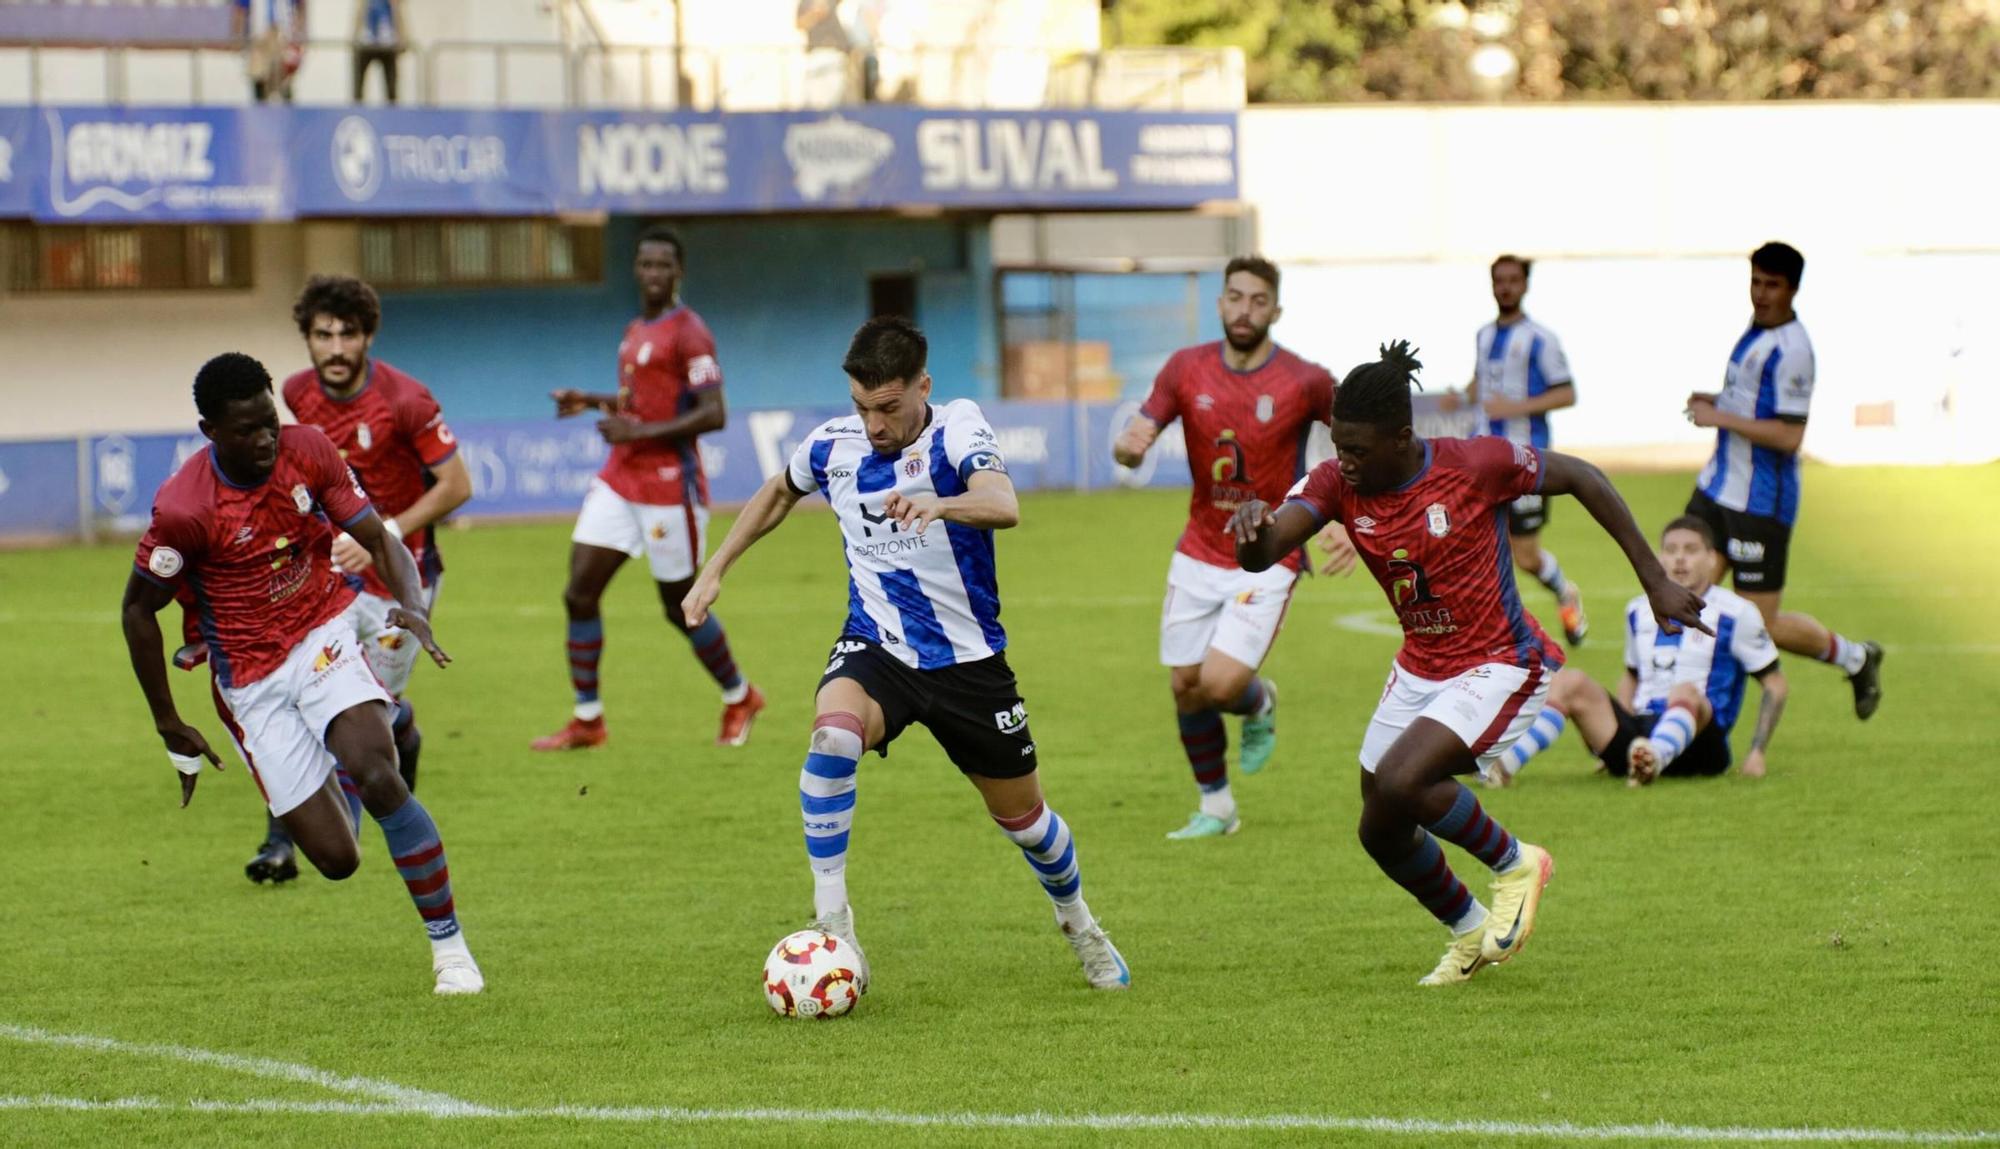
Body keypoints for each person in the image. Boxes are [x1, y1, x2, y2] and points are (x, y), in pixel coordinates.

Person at [1228, 341, 1707, 987]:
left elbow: (1583, 477)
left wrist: (1653, 580)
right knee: (1379, 823)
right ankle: (1469, 929)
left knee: (1404, 778)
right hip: (1422, 665)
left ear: (1402, 437)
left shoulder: (1476, 463)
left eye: (1357, 449)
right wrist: (1254, 529)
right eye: (1336, 445)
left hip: (1503, 661)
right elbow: (1268, 549)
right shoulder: (1339, 481)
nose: (1343, 461)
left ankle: (1517, 862)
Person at [682, 316, 1130, 993]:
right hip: (877, 648)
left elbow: (1002, 502)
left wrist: (941, 503)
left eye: (888, 407)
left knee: (1028, 824)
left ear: (922, 385)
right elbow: (778, 490)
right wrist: (716, 566)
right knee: (832, 736)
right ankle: (834, 917)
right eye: (863, 407)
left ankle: (1081, 924)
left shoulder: (957, 428)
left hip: (968, 664)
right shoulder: (833, 446)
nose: (874, 425)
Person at [121, 352, 482, 995]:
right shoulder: (184, 509)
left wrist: (413, 606)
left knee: (378, 770)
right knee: (338, 860)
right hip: (251, 682)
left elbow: (379, 538)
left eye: (270, 423)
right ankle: (333, 749)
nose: (265, 440)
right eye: (247, 431)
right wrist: (168, 721)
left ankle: (451, 950)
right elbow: (136, 610)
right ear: (210, 432)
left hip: (321, 631)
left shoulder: (307, 450)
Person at [228, 275, 471, 885]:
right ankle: (280, 841)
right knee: (299, 696)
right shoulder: (295, 393)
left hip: (397, 578)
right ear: (307, 338)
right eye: (322, 335)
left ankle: (402, 729)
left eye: (348, 335)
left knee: (373, 714)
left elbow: (457, 486)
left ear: (367, 337)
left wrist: (382, 535)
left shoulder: (406, 400)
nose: (335, 348)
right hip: (325, 576)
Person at [1111, 256, 1344, 840]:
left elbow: (1358, 449)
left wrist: (1341, 512)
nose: (1245, 309)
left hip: (1268, 548)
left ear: (1276, 310)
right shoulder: (1185, 368)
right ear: (1220, 303)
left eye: (1258, 300)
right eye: (1235, 297)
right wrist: (1128, 450)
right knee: (1185, 685)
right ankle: (1216, 807)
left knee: (1219, 684)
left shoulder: (1307, 380)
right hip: (1197, 547)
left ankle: (1259, 702)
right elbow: (1135, 440)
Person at [533, 226, 764, 751]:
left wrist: (637, 432)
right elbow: (641, 401)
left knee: (678, 606)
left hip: (667, 486)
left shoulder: (691, 333)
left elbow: (713, 413)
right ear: (636, 269)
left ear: (678, 272)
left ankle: (739, 694)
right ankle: (588, 719)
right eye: (645, 264)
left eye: (664, 265)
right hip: (620, 477)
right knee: (579, 592)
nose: (653, 273)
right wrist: (591, 401)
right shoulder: (637, 328)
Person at [1685, 242, 1883, 719]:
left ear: (1793, 289)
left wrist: (1719, 418)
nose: (1761, 293)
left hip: (1761, 504)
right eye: (1756, 282)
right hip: (1716, 489)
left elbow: (1789, 434)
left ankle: (1855, 657)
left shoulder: (1794, 349)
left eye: (1772, 285)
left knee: (1762, 624)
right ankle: (1679, 719)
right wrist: (1716, 399)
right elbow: (1752, 400)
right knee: (1684, 600)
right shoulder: (1755, 331)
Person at [1487, 516, 1789, 787]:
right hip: (1639, 735)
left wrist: (1756, 753)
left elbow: (1775, 683)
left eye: (1691, 550)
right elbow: (1631, 677)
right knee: (1570, 681)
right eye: (1671, 550)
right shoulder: (1638, 609)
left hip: (1701, 745)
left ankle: (1653, 757)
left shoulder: (1737, 613)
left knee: (1686, 691)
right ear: (1660, 557)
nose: (1679, 558)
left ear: (1712, 559)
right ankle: (1504, 766)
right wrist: (1613, 733)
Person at [1447, 255, 1587, 645]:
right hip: (1482, 458)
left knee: (1525, 555)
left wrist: (1516, 408)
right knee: (1474, 538)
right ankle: (1488, 630)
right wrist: (1459, 398)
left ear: (1525, 285)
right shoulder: (1483, 335)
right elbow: (1481, 382)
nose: (1505, 287)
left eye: (1512, 280)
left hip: (1527, 460)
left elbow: (1567, 392)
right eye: (1499, 280)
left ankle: (1564, 591)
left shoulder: (1541, 339)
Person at [352, 0, 404, 104]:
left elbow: (399, 15)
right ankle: (357, 108)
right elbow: (359, 13)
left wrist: (402, 37)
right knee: (358, 87)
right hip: (366, 44)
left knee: (391, 89)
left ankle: (393, 112)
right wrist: (354, 36)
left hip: (388, 45)